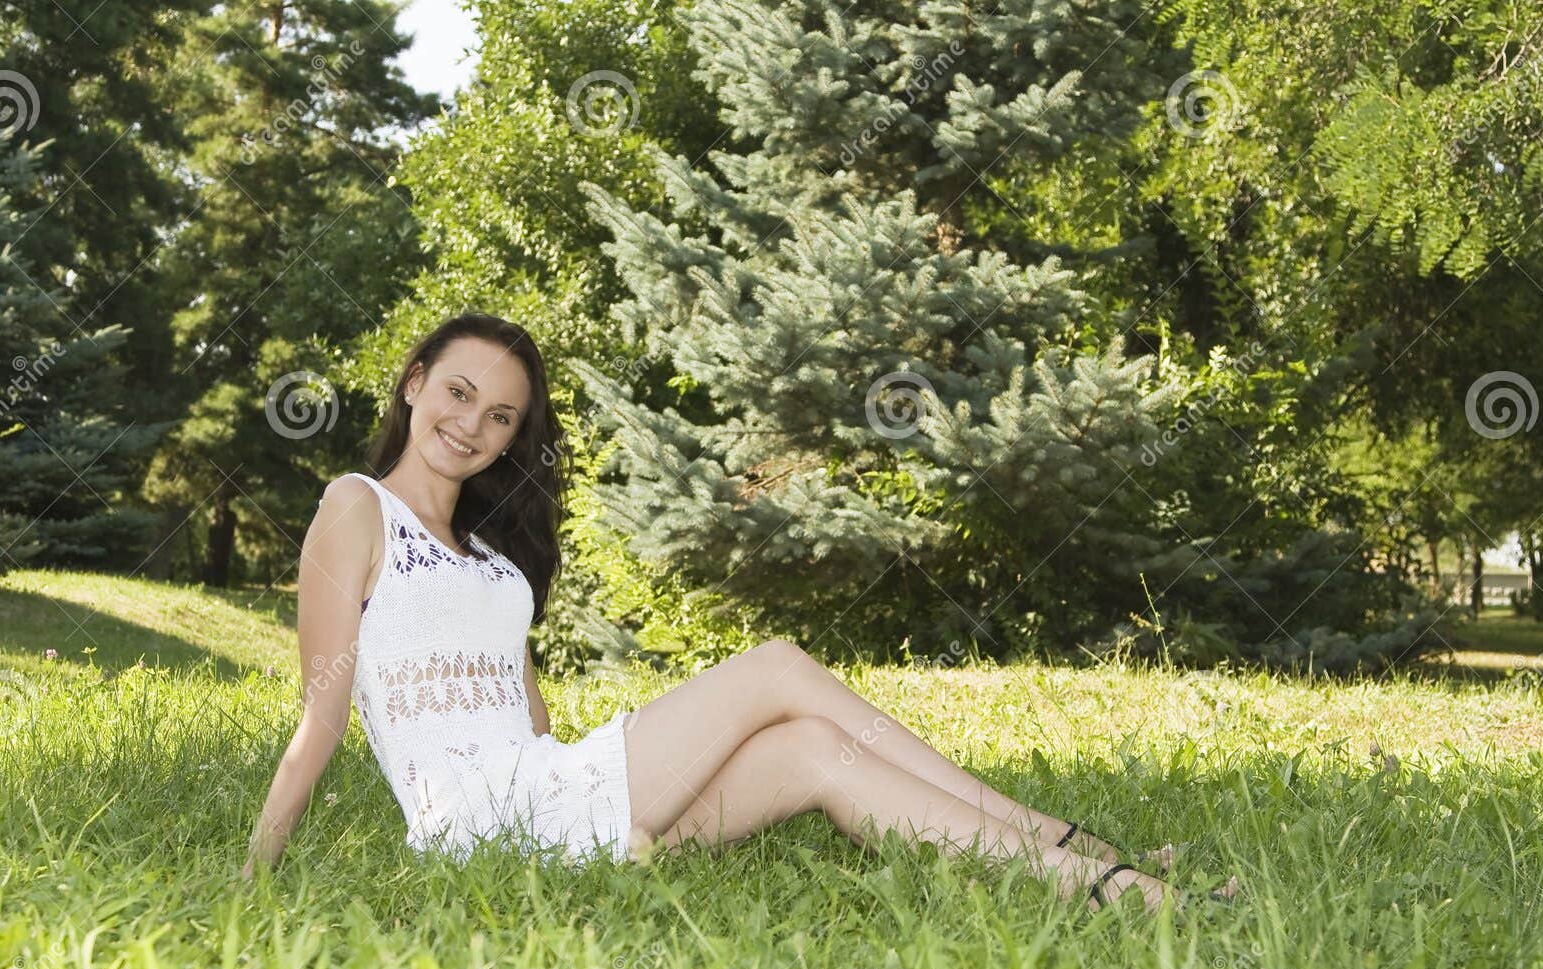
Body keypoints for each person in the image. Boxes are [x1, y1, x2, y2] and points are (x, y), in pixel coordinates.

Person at [241, 311, 1240, 915]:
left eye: (500, 415)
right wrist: (254, 874)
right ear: (414, 384)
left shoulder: (494, 559)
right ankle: (1073, 841)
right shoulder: (352, 507)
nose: (471, 424)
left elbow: (531, 723)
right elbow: (322, 714)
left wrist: (606, 800)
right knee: (773, 666)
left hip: (553, 804)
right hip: (481, 825)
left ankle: (1109, 886)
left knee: (813, 750)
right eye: (456, 393)